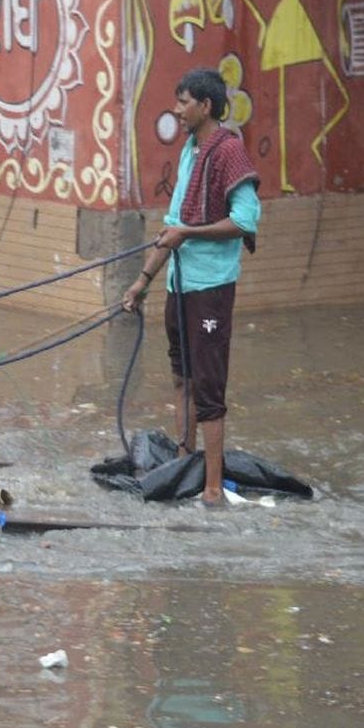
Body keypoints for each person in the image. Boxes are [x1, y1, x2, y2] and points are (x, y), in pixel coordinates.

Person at [122, 67, 261, 507]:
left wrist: (189, 235)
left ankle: (214, 487)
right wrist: (143, 280)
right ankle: (185, 459)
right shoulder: (190, 150)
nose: (177, 111)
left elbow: (245, 220)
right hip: (178, 284)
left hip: (210, 288)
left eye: (184, 103)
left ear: (205, 106)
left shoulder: (229, 152)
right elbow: (173, 224)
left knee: (208, 388)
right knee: (181, 376)